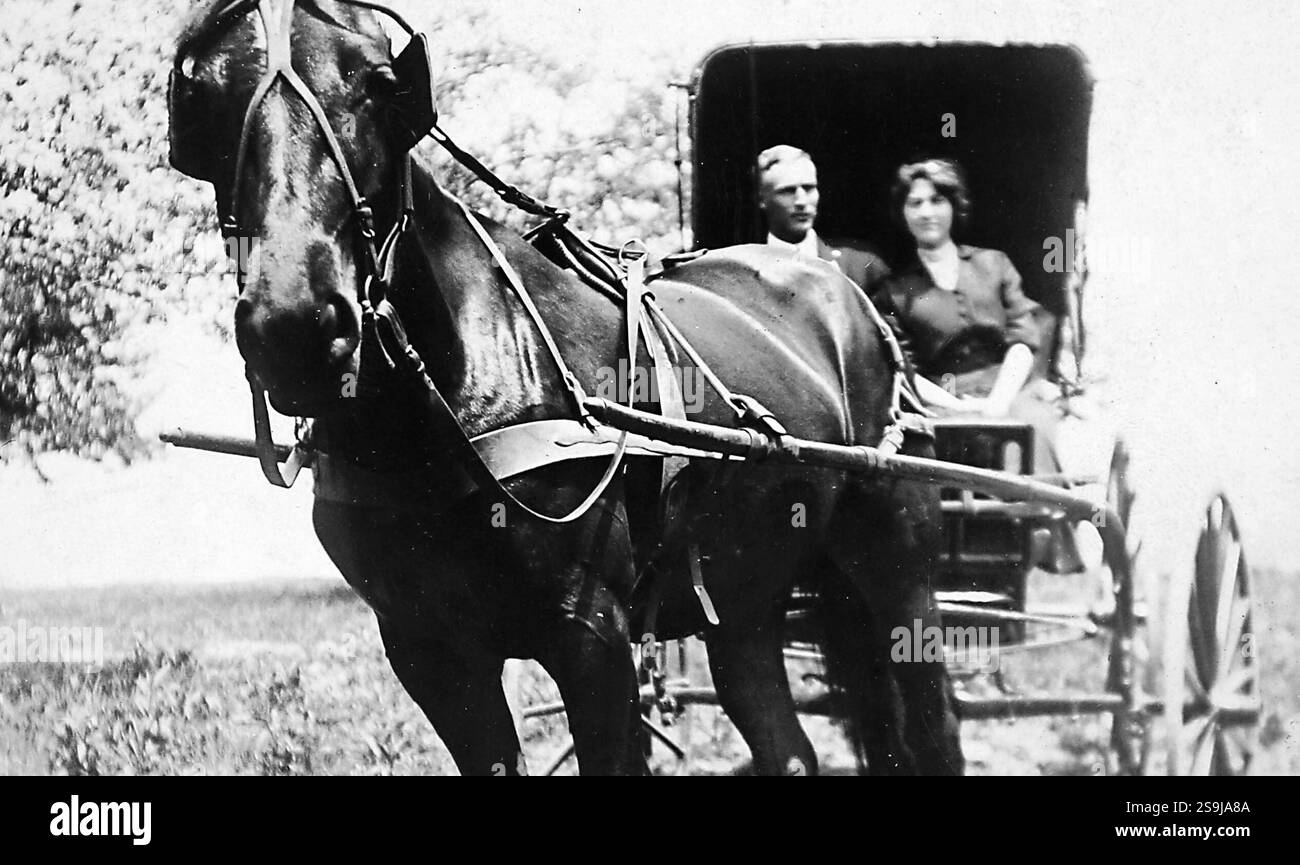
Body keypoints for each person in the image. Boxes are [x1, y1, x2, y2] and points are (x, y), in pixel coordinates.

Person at [872, 158, 1061, 469]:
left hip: (1010, 391)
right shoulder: (893, 292)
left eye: (937, 200)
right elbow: (906, 374)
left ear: (954, 206)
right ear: (902, 213)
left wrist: (997, 403)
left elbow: (1023, 341)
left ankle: (1046, 515)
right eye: (915, 203)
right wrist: (959, 408)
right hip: (942, 402)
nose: (927, 212)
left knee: (1034, 429)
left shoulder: (993, 264)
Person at [756, 145, 890, 295]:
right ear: (762, 199)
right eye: (787, 191)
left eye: (809, 188)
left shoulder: (863, 266)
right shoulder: (746, 270)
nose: (801, 201)